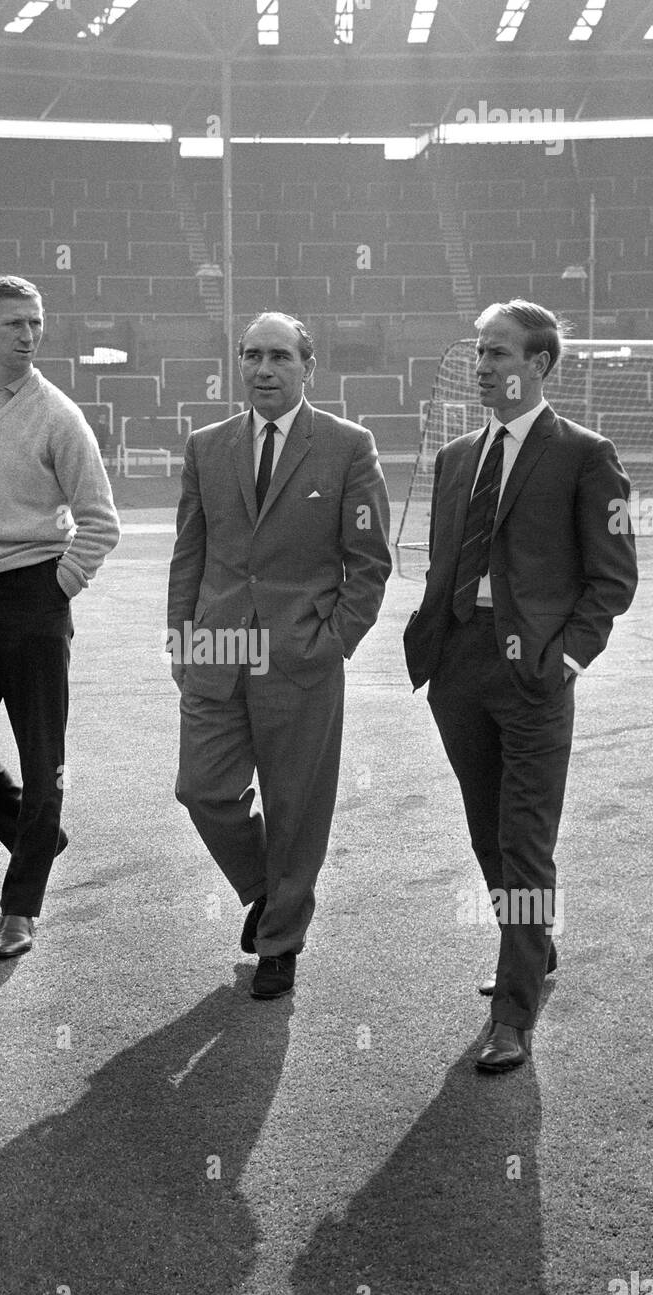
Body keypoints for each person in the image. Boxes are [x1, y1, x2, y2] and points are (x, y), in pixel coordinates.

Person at [403, 299, 637, 1071]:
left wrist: (565, 660)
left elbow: (613, 579)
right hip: (458, 665)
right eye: (479, 353)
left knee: (524, 841)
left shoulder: (585, 454)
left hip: (533, 675)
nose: (482, 367)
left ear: (539, 364)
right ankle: (533, 946)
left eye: (499, 354)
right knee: (483, 830)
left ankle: (514, 1013)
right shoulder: (455, 458)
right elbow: (446, 563)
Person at [168, 311, 392, 1000]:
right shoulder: (207, 446)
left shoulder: (348, 447)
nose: (262, 369)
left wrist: (332, 643)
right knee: (201, 789)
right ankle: (269, 892)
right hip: (217, 647)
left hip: (301, 656)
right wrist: (182, 640)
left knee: (297, 807)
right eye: (251, 355)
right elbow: (190, 552)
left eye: (278, 357)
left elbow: (369, 563)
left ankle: (280, 943)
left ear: (307, 368)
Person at [0, 275, 120, 959]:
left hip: (33, 598)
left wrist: (56, 587)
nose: (29, 336)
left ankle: (20, 907)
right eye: (14, 325)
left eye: (36, 324)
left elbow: (100, 520)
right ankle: (39, 836)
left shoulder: (59, 416)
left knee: (44, 761)